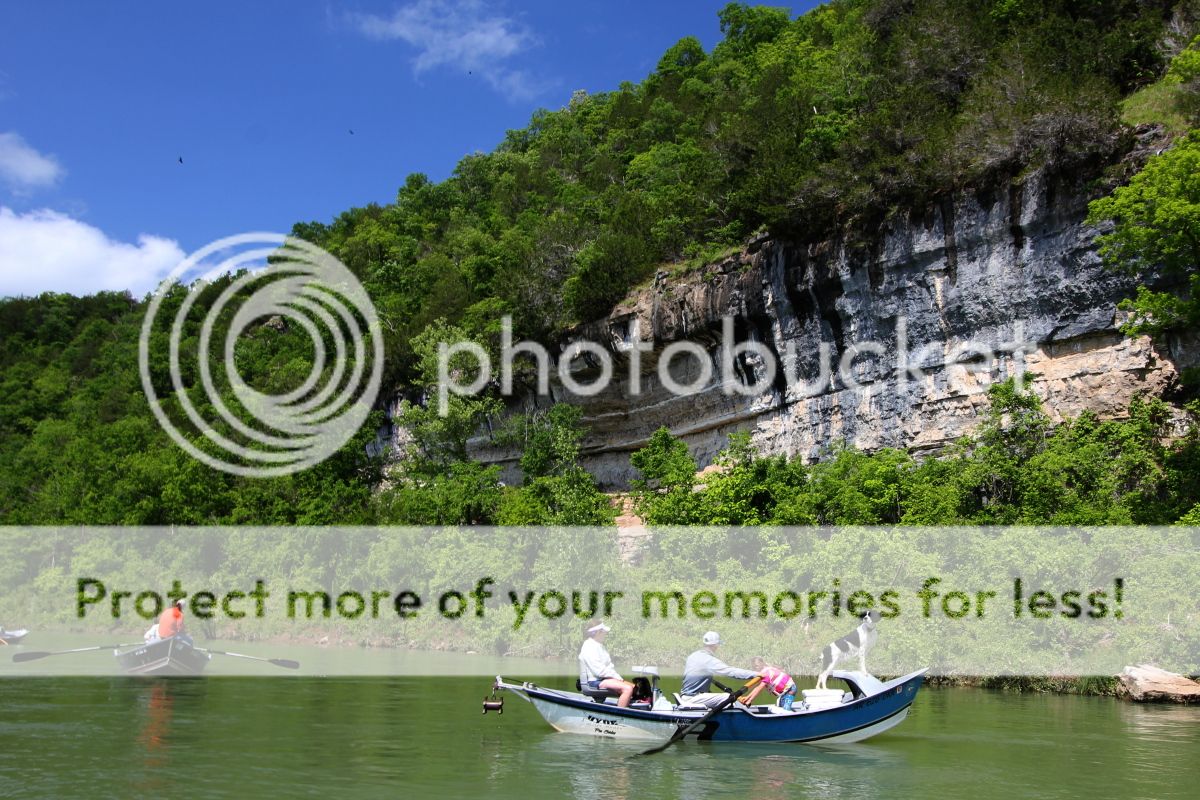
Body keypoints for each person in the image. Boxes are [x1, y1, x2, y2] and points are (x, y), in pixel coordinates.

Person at [578, 620, 635, 707]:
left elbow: (609, 668)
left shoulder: (599, 646)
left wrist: (619, 679)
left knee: (635, 688)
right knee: (627, 689)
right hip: (595, 681)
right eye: (603, 631)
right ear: (597, 633)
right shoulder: (589, 646)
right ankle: (619, 716)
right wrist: (620, 680)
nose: (605, 633)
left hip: (603, 679)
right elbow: (600, 671)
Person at [681, 631, 757, 696]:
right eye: (718, 644)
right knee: (728, 696)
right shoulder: (709, 660)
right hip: (694, 697)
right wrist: (757, 674)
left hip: (684, 695)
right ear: (715, 645)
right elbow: (731, 672)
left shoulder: (693, 656)